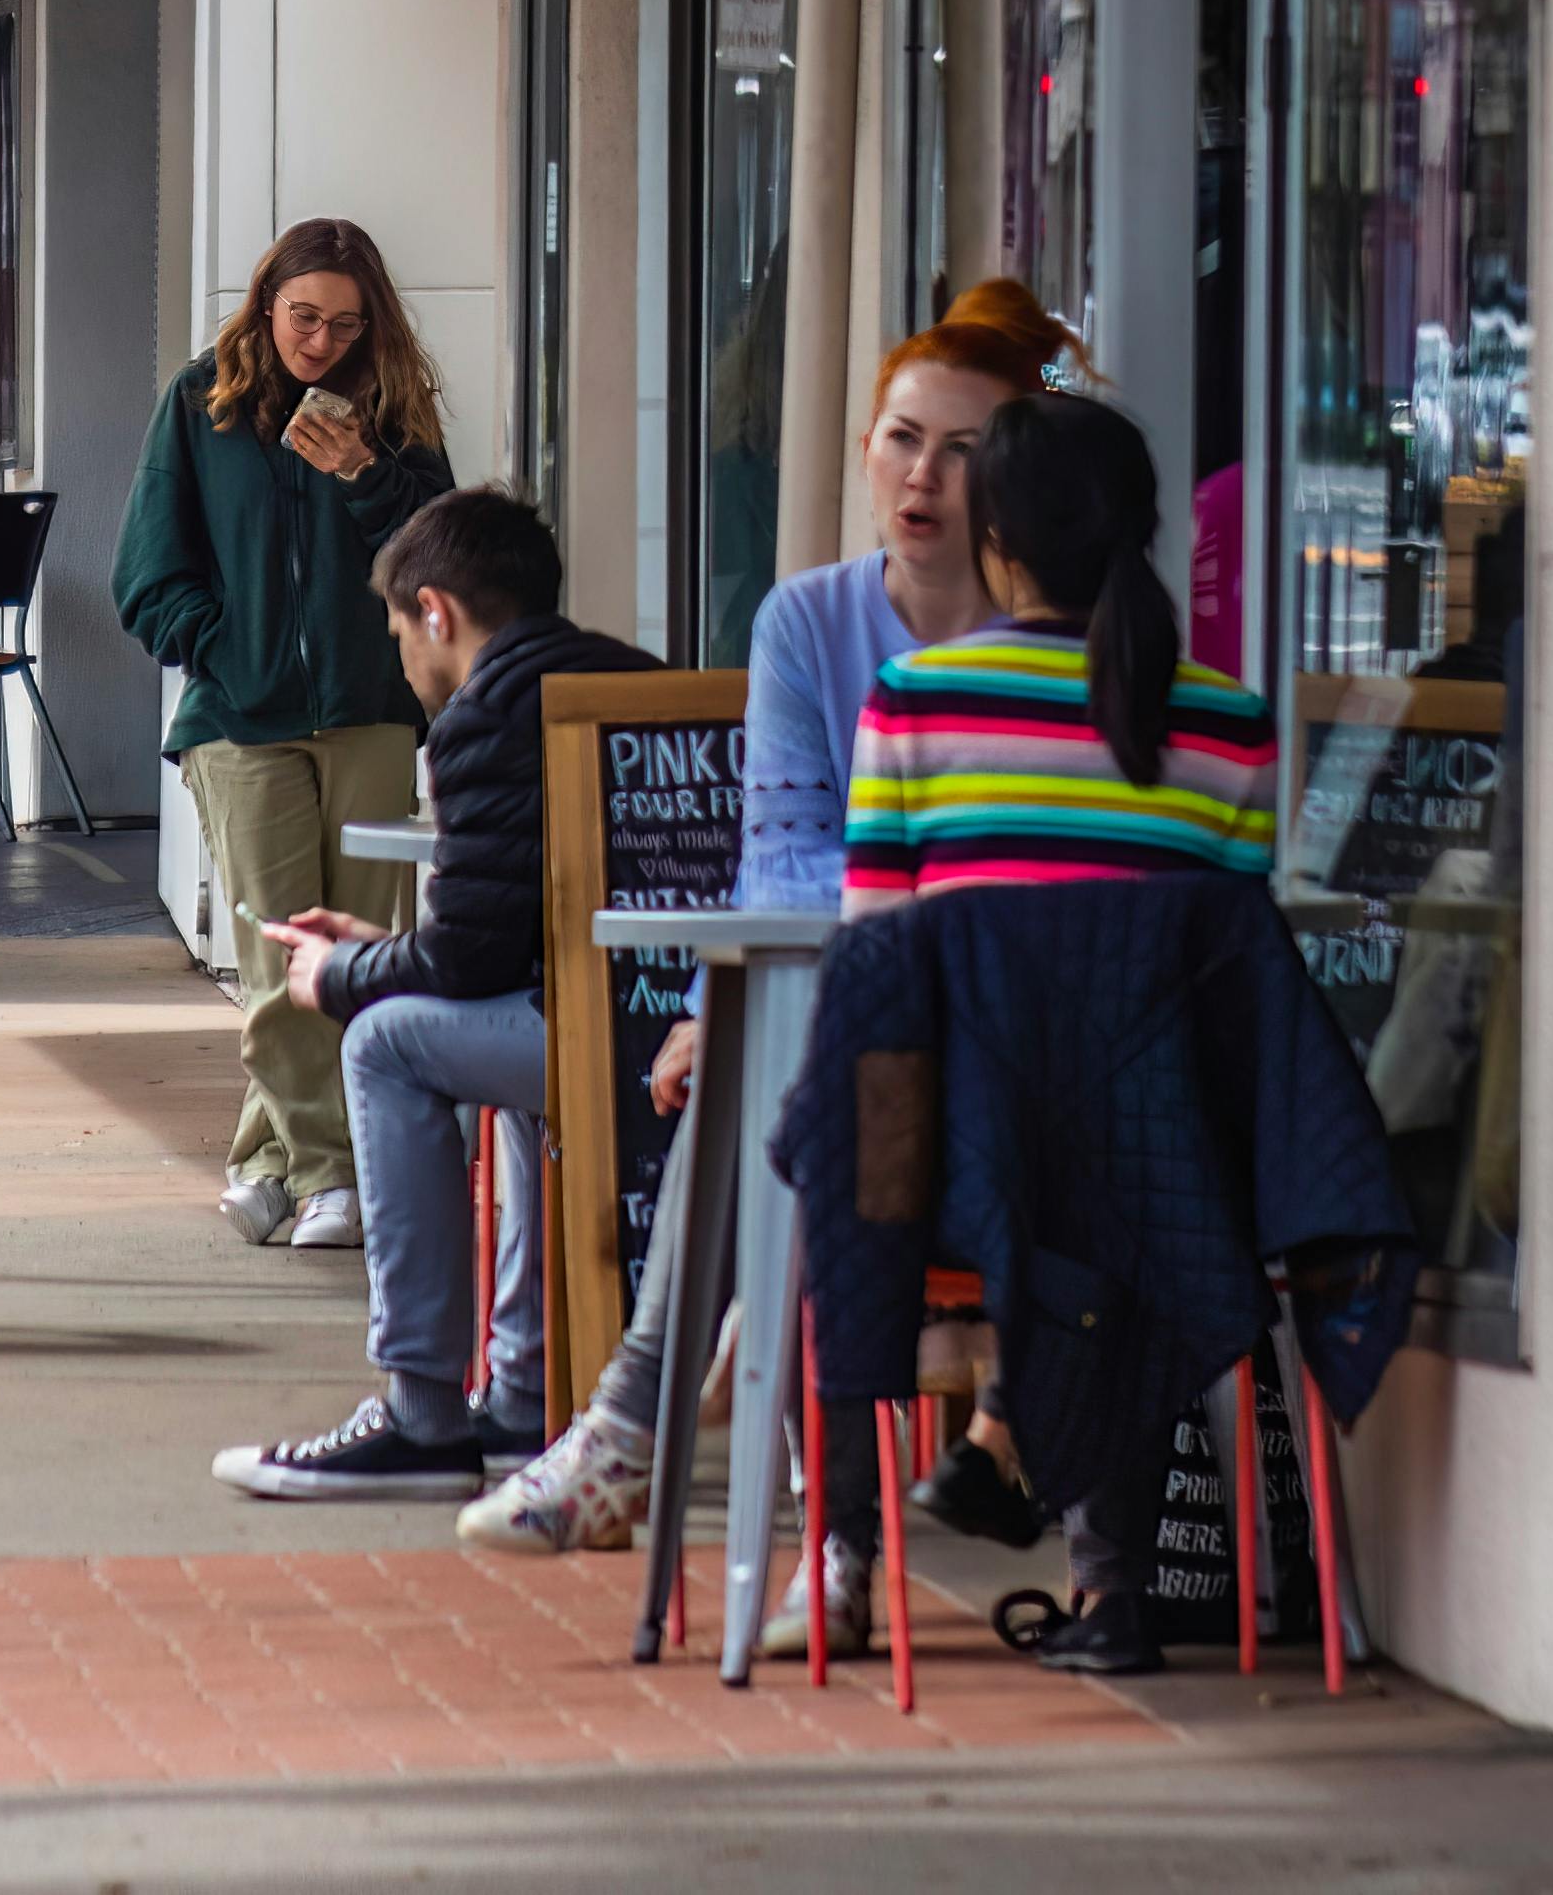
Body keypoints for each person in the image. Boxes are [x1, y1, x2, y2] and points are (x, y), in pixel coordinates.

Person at [462, 277, 1078, 1657]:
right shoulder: (807, 622)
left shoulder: (1053, 643)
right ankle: (771, 1505)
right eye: (898, 437)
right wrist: (708, 1003)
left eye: (961, 448)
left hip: (1012, 1069)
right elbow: (784, 853)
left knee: (788, 1098)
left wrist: (751, 1006)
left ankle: (663, 1441)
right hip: (858, 1023)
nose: (921, 475)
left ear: (1017, 473)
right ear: (863, 450)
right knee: (788, 1087)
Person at [841, 389, 1279, 1676]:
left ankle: (874, 1531)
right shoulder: (1231, 719)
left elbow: (881, 973)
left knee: (848, 1160)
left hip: (958, 1181)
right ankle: (1105, 1578)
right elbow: (1230, 981)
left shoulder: (914, 701)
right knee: (1127, 1146)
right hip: (1176, 1179)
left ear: (997, 540)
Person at [209, 486, 652, 1498]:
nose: (403, 655)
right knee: (479, 1052)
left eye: (399, 627)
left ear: (438, 613)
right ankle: (523, 1394)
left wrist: (345, 974)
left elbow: (471, 966)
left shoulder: (486, 712)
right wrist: (391, 945)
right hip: (679, 1023)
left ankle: (419, 1408)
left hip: (600, 1037)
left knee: (386, 1042)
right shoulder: (631, 677)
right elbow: (506, 932)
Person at [112, 217, 455, 1248]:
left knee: (359, 966)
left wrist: (365, 474)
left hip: (370, 716)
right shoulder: (200, 403)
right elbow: (146, 574)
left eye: (345, 324)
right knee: (278, 963)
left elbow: (443, 565)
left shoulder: (395, 414)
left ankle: (269, 1160)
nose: (321, 341)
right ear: (267, 305)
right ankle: (339, 1175)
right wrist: (222, 647)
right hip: (240, 721)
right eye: (304, 316)